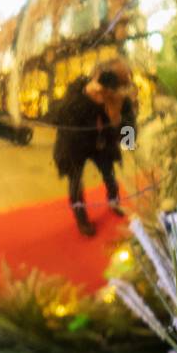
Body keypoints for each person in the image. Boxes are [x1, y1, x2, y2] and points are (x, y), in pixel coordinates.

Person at [52, 60, 137, 236]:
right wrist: (87, 97)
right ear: (95, 74)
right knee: (75, 182)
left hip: (102, 144)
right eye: (108, 78)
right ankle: (81, 218)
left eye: (121, 82)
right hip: (76, 145)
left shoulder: (122, 99)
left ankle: (114, 202)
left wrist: (117, 118)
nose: (110, 86)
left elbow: (130, 140)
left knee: (110, 176)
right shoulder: (78, 88)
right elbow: (58, 117)